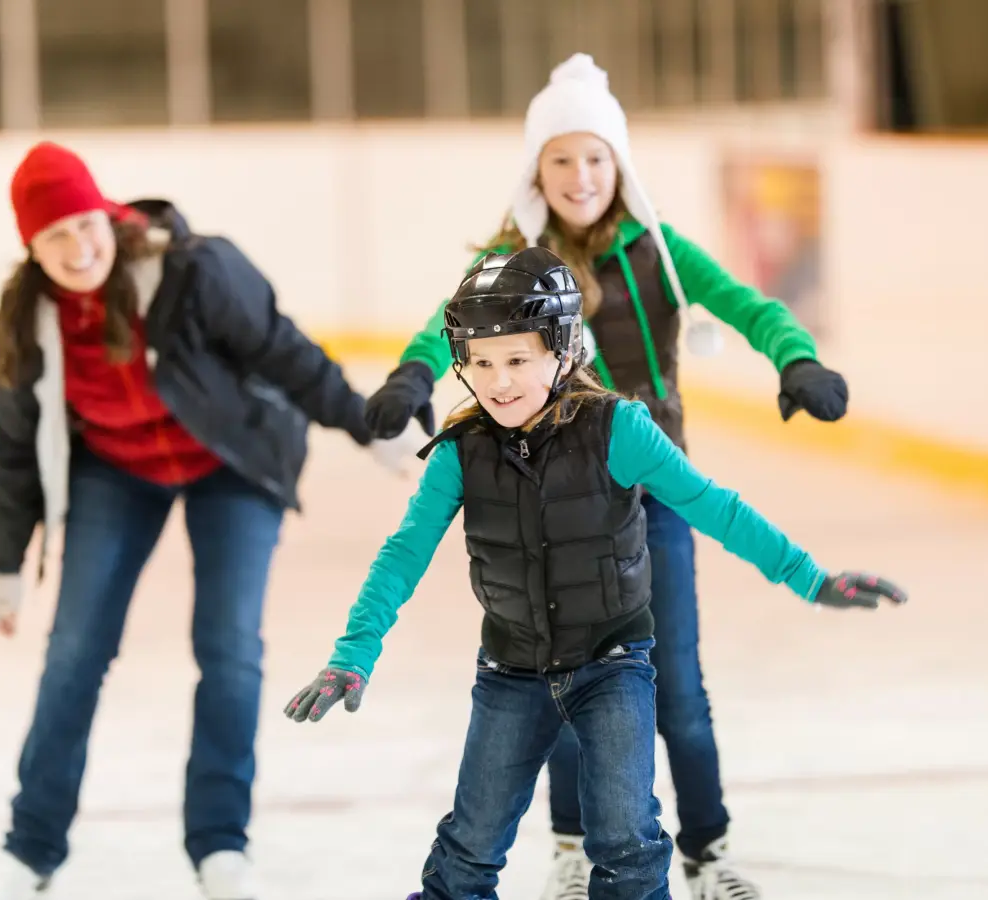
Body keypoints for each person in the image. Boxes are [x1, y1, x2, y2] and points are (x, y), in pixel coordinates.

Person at [361, 54, 851, 900]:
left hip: (647, 478)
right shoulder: (513, 256)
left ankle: (706, 848)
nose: (580, 176)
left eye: (595, 157)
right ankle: (569, 844)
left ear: (618, 163)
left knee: (675, 686)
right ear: (536, 170)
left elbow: (751, 305)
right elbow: (449, 329)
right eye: (560, 159)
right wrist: (412, 372)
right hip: (547, 483)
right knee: (557, 671)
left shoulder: (657, 252)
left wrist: (795, 358)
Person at [285, 248, 906, 900]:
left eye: (518, 359)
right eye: (481, 361)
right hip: (510, 674)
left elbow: (714, 507)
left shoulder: (618, 429)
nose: (498, 382)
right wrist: (351, 655)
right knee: (466, 851)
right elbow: (402, 556)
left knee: (625, 845)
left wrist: (811, 579)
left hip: (612, 665)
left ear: (563, 351)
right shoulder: (461, 450)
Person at [0, 141, 417, 900]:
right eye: (54, 236)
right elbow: (15, 445)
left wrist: (363, 425)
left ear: (106, 216)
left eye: (84, 224)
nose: (77, 247)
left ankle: (219, 841)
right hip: (116, 472)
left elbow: (285, 351)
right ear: (30, 247)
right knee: (75, 651)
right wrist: (7, 561)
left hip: (232, 463)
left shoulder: (190, 269)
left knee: (228, 645)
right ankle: (32, 844)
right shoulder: (28, 320)